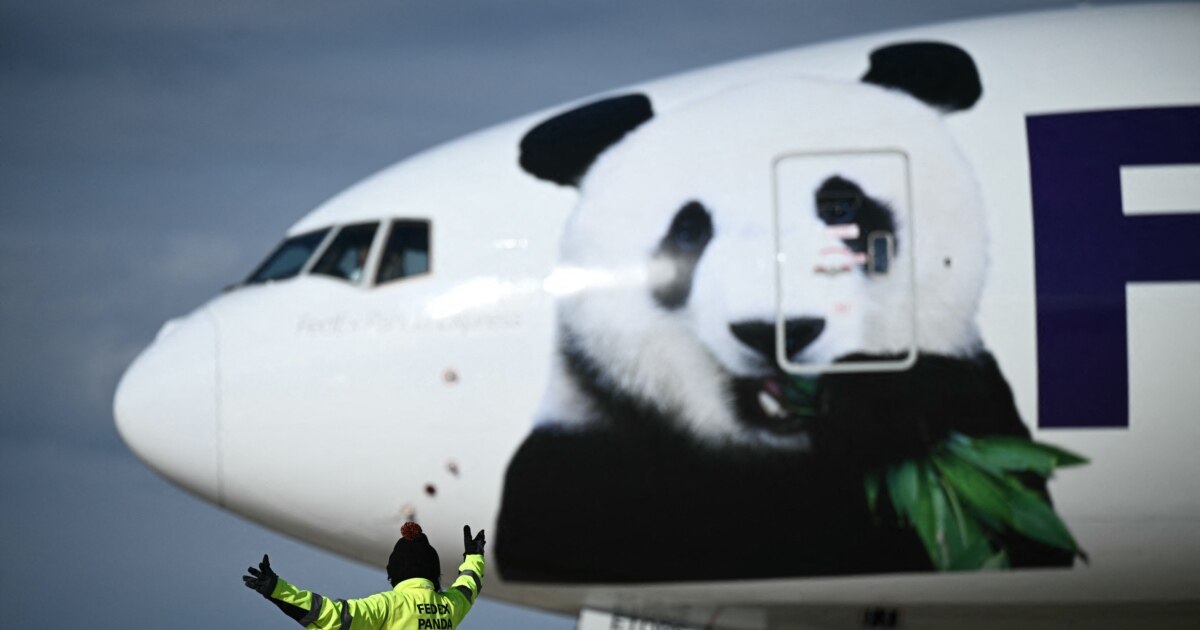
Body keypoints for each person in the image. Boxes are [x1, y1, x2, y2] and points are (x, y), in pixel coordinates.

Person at [243, 523, 485, 629]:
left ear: (394, 574)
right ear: (434, 572)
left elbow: (329, 616)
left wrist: (277, 590)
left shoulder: (389, 606)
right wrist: (474, 557)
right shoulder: (449, 607)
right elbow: (468, 587)